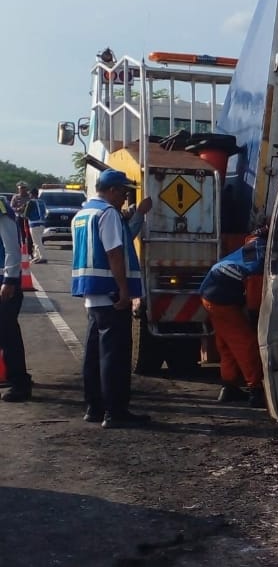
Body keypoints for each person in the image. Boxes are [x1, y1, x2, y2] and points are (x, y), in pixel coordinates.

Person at [71, 169, 153, 428]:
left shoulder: (82, 215)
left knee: (94, 354)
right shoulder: (107, 214)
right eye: (124, 192)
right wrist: (124, 291)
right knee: (114, 356)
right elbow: (115, 253)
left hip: (92, 293)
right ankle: (115, 412)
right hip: (111, 293)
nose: (125, 197)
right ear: (114, 190)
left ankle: (94, 408)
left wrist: (136, 214)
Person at [199, 229, 268, 408]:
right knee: (246, 343)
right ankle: (255, 390)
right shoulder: (260, 262)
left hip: (209, 293)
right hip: (221, 298)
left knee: (227, 344)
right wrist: (255, 319)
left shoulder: (253, 246)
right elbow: (254, 302)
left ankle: (229, 387)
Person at [0, 196, 33, 401]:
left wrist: (10, 280)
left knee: (7, 333)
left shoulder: (1, 208)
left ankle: (20, 382)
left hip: (4, 282)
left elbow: (11, 246)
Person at [9, 181, 33, 258]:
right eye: (20, 188)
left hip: (28, 218)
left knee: (29, 235)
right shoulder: (15, 197)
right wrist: (19, 208)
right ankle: (22, 251)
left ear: (26, 188)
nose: (22, 190)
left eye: (23, 188)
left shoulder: (29, 197)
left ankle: (30, 252)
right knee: (21, 235)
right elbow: (11, 207)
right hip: (19, 217)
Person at [25, 196, 46, 264]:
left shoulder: (31, 202)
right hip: (42, 223)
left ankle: (42, 257)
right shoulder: (42, 202)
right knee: (38, 241)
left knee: (37, 242)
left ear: (32, 195)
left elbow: (26, 214)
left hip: (34, 224)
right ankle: (37, 256)